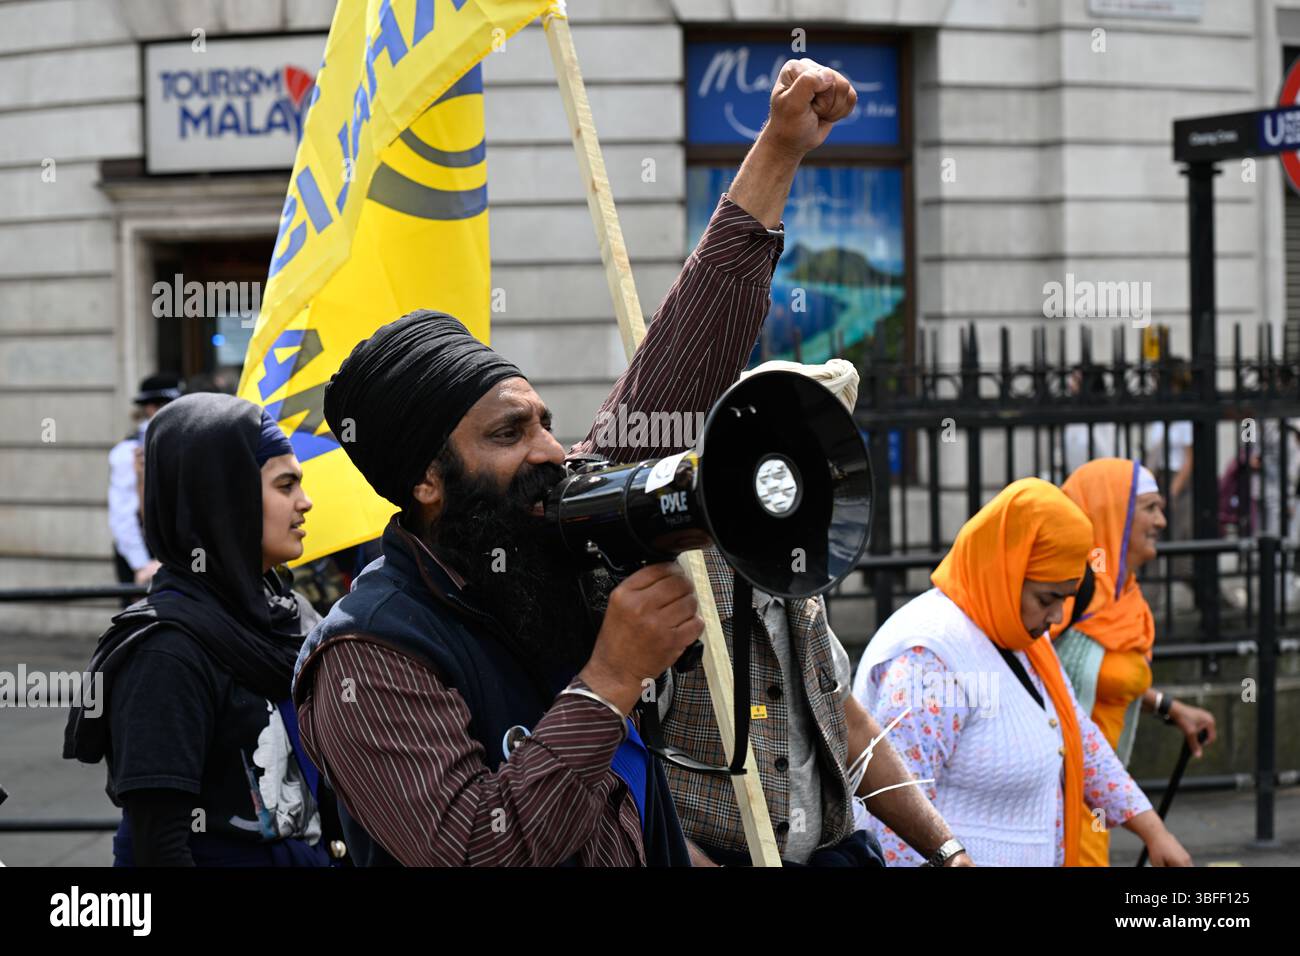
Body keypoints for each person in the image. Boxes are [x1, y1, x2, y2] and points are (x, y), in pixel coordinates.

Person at [291, 58, 859, 866]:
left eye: (546, 423)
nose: (552, 453)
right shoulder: (368, 656)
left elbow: (686, 355)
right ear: (425, 481)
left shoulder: (557, 527)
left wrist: (779, 147)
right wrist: (609, 682)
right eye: (508, 434)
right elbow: (475, 852)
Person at [656, 359, 971, 868]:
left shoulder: (799, 574)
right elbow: (620, 768)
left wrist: (947, 851)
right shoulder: (679, 581)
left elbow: (846, 723)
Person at [851, 478, 1192, 866]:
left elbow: (1080, 737)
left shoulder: (1022, 638)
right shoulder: (930, 659)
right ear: (1004, 574)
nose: (1057, 617)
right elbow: (895, 805)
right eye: (1047, 598)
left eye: (1066, 598)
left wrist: (1152, 830)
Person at [65, 393, 337, 866]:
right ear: (224, 499)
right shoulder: (165, 653)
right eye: (285, 484)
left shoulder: (289, 614)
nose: (305, 502)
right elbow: (159, 851)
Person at [1053, 457, 1217, 866]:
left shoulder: (1125, 596)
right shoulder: (1067, 594)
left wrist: (1170, 707)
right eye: (1150, 507)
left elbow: (1109, 678)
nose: (1162, 520)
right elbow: (1041, 681)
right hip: (1058, 799)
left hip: (1101, 797)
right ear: (1112, 511)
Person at [107, 374, 181, 592]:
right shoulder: (128, 452)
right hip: (144, 557)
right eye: (165, 405)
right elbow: (123, 515)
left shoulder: (181, 442)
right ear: (150, 408)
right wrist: (141, 564)